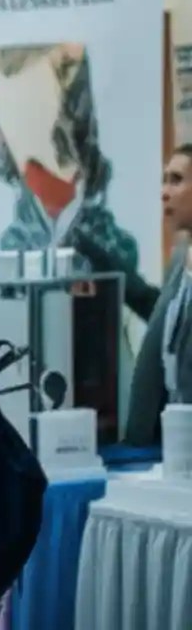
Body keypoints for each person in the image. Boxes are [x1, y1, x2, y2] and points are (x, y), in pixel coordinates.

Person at [124, 144, 192, 445]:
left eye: (176, 180)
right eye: (164, 180)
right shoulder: (180, 258)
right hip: (168, 440)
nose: (165, 192)